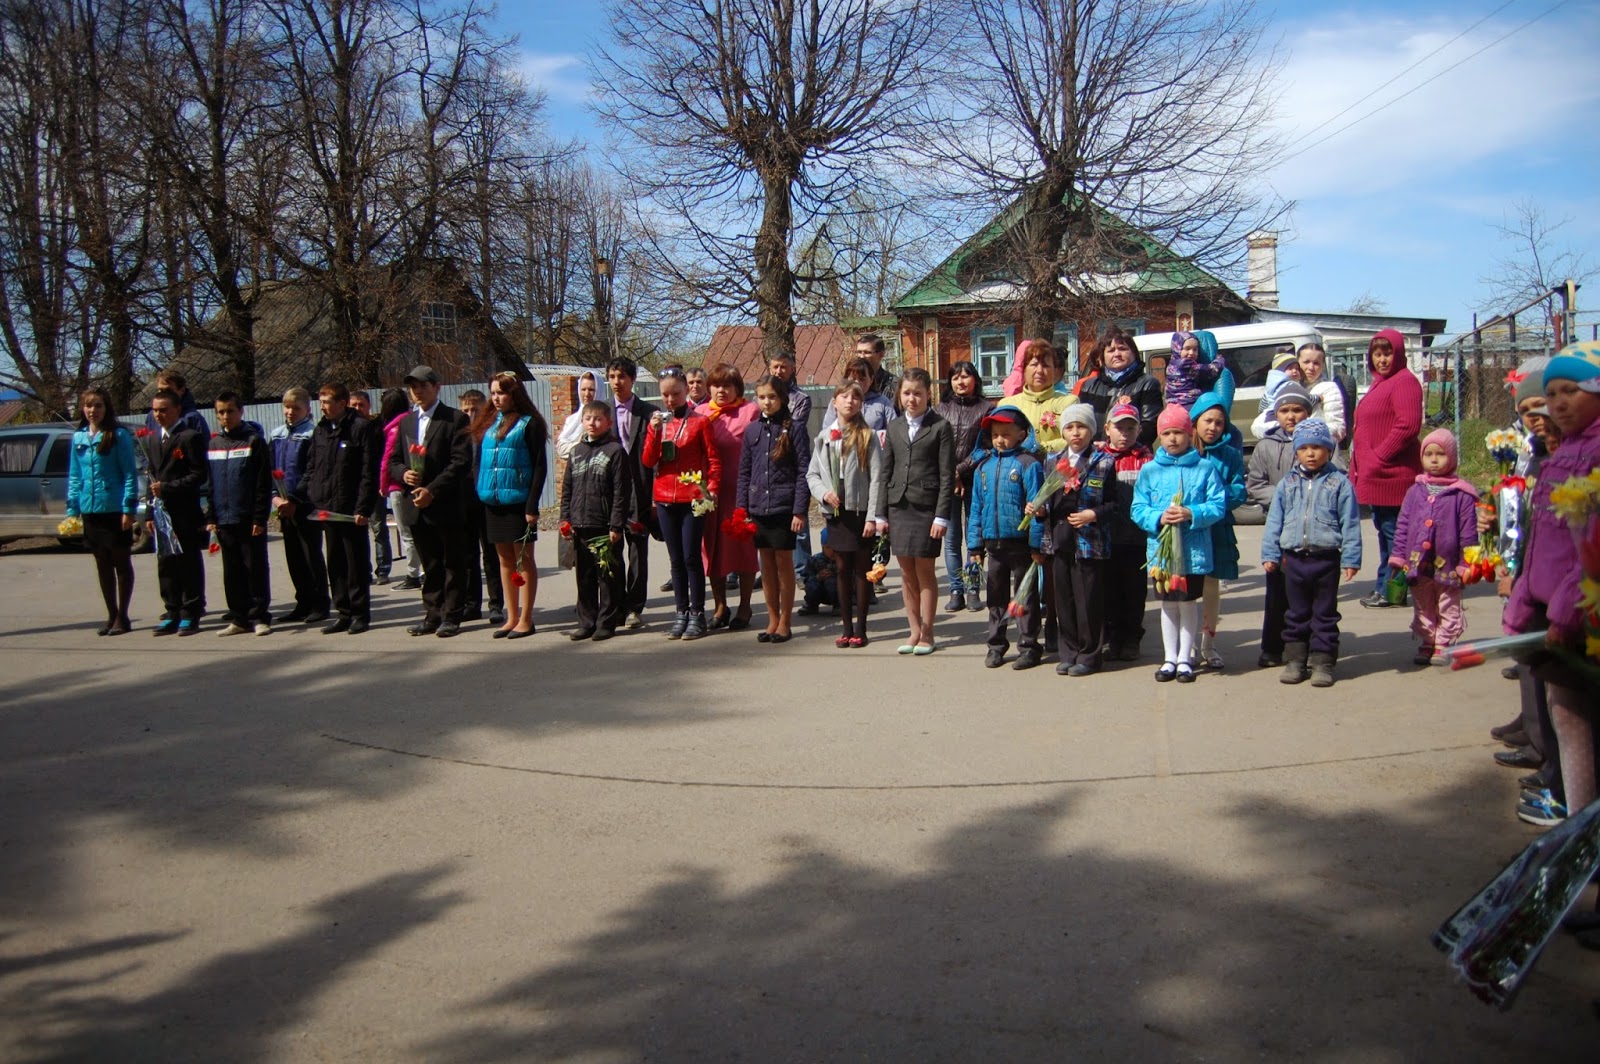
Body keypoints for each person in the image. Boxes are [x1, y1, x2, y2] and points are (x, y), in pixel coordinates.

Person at [1504, 341, 1600, 827]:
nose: (1557, 403)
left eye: (1571, 391)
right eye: (1552, 393)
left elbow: (1590, 548)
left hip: (1582, 615)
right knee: (1566, 712)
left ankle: (1582, 821)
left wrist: (1565, 608)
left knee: (1581, 717)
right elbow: (1542, 536)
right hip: (1552, 606)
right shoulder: (1561, 452)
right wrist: (1523, 596)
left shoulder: (1595, 454)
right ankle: (1577, 818)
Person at [1261, 418, 1362, 687]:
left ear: (1328, 450)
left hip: (1326, 559)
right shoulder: (1287, 484)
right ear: (1296, 451)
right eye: (1305, 448)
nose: (1311, 453)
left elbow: (1350, 522)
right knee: (1296, 613)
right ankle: (1295, 660)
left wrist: (1351, 558)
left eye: (1318, 447)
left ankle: (1323, 662)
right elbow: (1274, 521)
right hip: (1293, 560)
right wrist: (1270, 554)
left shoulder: (1339, 484)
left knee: (1325, 613)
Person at [1131, 405, 1227, 683]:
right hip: (1162, 555)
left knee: (1187, 603)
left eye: (1178, 433)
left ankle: (1186, 657)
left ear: (1189, 434)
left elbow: (1217, 504)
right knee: (1167, 605)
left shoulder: (1203, 467)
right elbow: (1138, 508)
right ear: (1159, 436)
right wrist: (1158, 517)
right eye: (1167, 433)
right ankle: (1169, 657)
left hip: (1192, 552)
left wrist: (1191, 513)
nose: (1172, 439)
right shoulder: (1150, 470)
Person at [387, 365, 472, 637]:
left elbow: (460, 463)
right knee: (430, 563)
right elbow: (393, 461)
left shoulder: (455, 419)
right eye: (413, 388)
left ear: (437, 387)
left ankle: (452, 615)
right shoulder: (406, 422)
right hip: (416, 505)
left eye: (422, 386)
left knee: (452, 563)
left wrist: (432, 490)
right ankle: (432, 613)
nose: (417, 392)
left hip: (445, 503)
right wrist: (404, 473)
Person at [1035, 403, 1117, 676]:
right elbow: (1048, 501)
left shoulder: (1103, 461)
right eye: (1069, 427)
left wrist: (1093, 514)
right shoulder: (1052, 460)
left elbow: (1113, 504)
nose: (1076, 433)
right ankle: (1068, 651)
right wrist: (1038, 509)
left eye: (1081, 427)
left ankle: (1090, 654)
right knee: (1064, 600)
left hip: (1088, 542)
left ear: (1091, 430)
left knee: (1088, 600)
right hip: (1059, 540)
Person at [876, 368, 954, 655]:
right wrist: (880, 514)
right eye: (907, 393)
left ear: (928, 394)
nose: (912, 398)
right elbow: (885, 472)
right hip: (899, 507)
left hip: (926, 509)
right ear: (899, 395)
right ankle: (913, 631)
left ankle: (928, 633)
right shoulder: (894, 427)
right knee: (907, 574)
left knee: (925, 573)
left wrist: (941, 515)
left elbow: (947, 475)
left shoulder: (941, 427)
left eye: (918, 393)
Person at [1388, 428, 1478, 666]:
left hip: (1448, 563)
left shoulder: (1462, 494)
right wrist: (1398, 556)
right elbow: (1403, 524)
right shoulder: (1415, 491)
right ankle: (1427, 641)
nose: (1434, 459)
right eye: (1429, 454)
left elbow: (1469, 532)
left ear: (1453, 457)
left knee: (1448, 603)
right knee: (1423, 602)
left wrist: (1466, 563)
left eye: (1441, 454)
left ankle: (1443, 643)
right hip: (1418, 561)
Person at [641, 367, 719, 639]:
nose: (670, 399)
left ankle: (698, 614)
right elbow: (648, 461)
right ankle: (681, 612)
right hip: (663, 498)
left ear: (686, 390)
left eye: (675, 393)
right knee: (675, 561)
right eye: (665, 394)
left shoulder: (700, 422)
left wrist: (710, 490)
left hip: (692, 499)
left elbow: (713, 460)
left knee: (690, 557)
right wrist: (653, 432)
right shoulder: (659, 422)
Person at [293, 382, 378, 634]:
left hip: (351, 509)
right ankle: (343, 612)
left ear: (342, 403)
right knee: (336, 563)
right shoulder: (321, 430)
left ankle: (360, 614)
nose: (323, 407)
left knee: (355, 563)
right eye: (321, 402)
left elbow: (368, 472)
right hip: (325, 506)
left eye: (327, 401)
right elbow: (313, 466)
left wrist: (363, 507)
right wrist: (306, 493)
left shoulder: (361, 428)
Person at [966, 406, 1045, 669]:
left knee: (1024, 596)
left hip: (1021, 544)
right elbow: (975, 508)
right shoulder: (983, 468)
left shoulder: (1028, 465)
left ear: (1021, 435)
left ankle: (1029, 645)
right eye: (995, 434)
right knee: (996, 598)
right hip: (993, 544)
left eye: (1006, 434)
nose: (1000, 439)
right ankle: (996, 645)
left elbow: (1036, 504)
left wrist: (1036, 543)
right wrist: (975, 545)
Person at [1349, 328, 1423, 608]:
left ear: (1399, 353)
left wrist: (1379, 458)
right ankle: (1385, 585)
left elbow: (1408, 426)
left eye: (1387, 353)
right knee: (1386, 532)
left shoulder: (1405, 382)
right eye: (1377, 354)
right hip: (1377, 475)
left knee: (1395, 534)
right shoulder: (1380, 383)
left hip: (1393, 475)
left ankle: (1393, 590)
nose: (1382, 360)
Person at [807, 382, 884, 648]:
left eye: (855, 397)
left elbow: (877, 478)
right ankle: (846, 627)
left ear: (861, 404)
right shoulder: (825, 436)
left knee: (861, 570)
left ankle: (861, 629)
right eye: (844, 396)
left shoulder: (868, 436)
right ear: (834, 401)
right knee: (841, 569)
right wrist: (824, 494)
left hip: (860, 513)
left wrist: (873, 516)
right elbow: (812, 474)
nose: (849, 401)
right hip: (835, 513)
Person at [737, 375, 811, 644]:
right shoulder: (752, 431)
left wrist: (799, 510)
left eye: (772, 397)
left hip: (784, 506)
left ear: (782, 398)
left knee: (783, 564)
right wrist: (741, 509)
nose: (766, 402)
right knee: (765, 565)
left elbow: (804, 470)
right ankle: (771, 619)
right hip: (759, 507)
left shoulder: (795, 429)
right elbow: (744, 472)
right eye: (762, 397)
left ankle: (785, 622)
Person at [475, 373, 549, 639]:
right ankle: (512, 616)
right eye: (493, 392)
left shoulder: (529, 424)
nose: (496, 398)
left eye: (502, 393)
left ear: (514, 394)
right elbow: (479, 462)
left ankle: (526, 619)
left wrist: (532, 505)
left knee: (523, 560)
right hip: (492, 501)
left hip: (518, 502)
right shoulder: (488, 422)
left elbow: (540, 466)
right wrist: (479, 488)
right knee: (504, 560)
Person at [1245, 383, 1314, 667]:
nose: (1291, 416)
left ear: (1308, 412)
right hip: (1280, 531)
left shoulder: (1320, 443)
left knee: (1309, 592)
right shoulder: (1266, 446)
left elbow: (1337, 479)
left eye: (1297, 410)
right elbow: (1255, 484)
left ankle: (1306, 647)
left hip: (1313, 532)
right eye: (1284, 410)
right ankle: (1273, 647)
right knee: (1278, 590)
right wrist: (1285, 497)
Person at [66, 387, 139, 635]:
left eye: (98, 405)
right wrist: (72, 507)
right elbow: (75, 476)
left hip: (114, 507)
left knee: (121, 562)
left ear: (106, 408)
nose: (92, 410)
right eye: (88, 405)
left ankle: (123, 616)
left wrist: (128, 508)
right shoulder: (78, 438)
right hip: (90, 509)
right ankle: (111, 615)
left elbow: (129, 473)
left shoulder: (118, 435)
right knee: (102, 563)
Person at [696, 362, 761, 629]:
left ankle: (745, 606)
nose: (721, 390)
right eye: (716, 384)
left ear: (738, 388)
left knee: (744, 550)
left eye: (727, 385)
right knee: (712, 550)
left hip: (740, 491)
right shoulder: (699, 412)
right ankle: (720, 606)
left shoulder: (750, 411)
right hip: (709, 491)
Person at [560, 400, 631, 640]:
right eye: (588, 418)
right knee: (585, 576)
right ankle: (586, 621)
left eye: (598, 419)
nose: (593, 423)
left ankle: (607, 622)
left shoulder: (615, 451)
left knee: (607, 576)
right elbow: (567, 488)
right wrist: (564, 519)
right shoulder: (576, 452)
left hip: (604, 526)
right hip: (580, 523)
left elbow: (622, 492)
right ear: (582, 421)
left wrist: (616, 524)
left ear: (609, 423)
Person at [142, 388, 210, 635]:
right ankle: (171, 609)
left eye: (163, 410)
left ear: (177, 410)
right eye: (155, 410)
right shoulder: (152, 439)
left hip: (184, 511)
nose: (158, 415)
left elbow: (199, 475)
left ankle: (191, 611)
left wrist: (169, 488)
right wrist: (150, 514)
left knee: (187, 561)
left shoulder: (188, 437)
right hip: (162, 514)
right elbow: (151, 477)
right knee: (166, 563)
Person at [206, 391, 274, 636]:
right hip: (224, 519)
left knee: (254, 568)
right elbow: (211, 484)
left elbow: (262, 484)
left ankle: (259, 617)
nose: (225, 417)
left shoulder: (253, 441)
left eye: (230, 411)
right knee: (231, 571)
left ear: (240, 411)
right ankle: (239, 617)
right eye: (221, 412)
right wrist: (211, 517)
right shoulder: (214, 444)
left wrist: (259, 517)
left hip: (248, 518)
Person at [1192, 392, 1246, 670]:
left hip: (1217, 528)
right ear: (1195, 421)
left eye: (1219, 423)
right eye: (1207, 421)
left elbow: (1239, 491)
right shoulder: (1184, 452)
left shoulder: (1230, 455)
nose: (1213, 427)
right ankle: (1187, 646)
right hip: (1188, 530)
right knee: (1188, 588)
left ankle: (1208, 643)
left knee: (1212, 585)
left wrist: (1213, 501)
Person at [607, 356, 660, 628]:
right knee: (612, 551)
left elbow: (657, 458)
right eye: (613, 377)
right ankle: (615, 605)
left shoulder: (649, 412)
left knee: (638, 551)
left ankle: (634, 608)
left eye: (622, 377)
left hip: (640, 492)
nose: (617, 382)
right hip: (612, 495)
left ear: (632, 380)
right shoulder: (601, 413)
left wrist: (653, 496)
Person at [935, 360, 993, 611]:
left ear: (975, 380)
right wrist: (951, 473)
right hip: (946, 481)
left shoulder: (986, 409)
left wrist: (960, 469)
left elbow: (986, 447)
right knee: (951, 539)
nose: (960, 381)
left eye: (966, 377)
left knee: (974, 536)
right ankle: (955, 590)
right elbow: (935, 447)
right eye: (956, 377)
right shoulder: (939, 409)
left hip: (976, 480)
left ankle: (972, 589)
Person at [268, 388, 330, 623]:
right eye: (287, 407)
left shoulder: (312, 434)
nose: (291, 412)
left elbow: (312, 472)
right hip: (284, 505)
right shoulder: (277, 435)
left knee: (310, 554)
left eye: (296, 408)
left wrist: (294, 500)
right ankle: (302, 602)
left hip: (305, 504)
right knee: (293, 556)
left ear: (307, 410)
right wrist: (276, 498)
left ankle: (320, 603)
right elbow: (271, 471)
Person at [1100, 403, 1153, 661]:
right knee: (1109, 592)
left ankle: (1132, 638)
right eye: (1119, 428)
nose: (1124, 434)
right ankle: (1113, 638)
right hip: (1106, 538)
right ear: (1107, 429)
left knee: (1134, 592)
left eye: (1130, 428)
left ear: (1139, 430)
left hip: (1135, 539)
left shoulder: (1147, 459)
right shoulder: (1099, 457)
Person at [766, 351, 814, 576]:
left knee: (798, 519)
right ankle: (770, 569)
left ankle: (803, 570)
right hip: (769, 464)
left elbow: (793, 428)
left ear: (792, 368)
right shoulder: (763, 395)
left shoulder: (800, 398)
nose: (779, 371)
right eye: (775, 367)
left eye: (783, 367)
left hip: (794, 460)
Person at [459, 388, 504, 625]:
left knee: (491, 555)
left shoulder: (491, 431)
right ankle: (471, 604)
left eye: (474, 409)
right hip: (464, 499)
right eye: (465, 410)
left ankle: (496, 604)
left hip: (487, 499)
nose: (469, 414)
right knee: (468, 555)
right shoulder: (459, 433)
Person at [1079, 327, 1163, 447]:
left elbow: (1149, 427)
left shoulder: (1148, 384)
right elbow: (1082, 423)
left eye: (1122, 349)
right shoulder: (1089, 386)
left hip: (1133, 456)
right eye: (1111, 350)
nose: (1117, 354)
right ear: (1102, 356)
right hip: (1095, 455)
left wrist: (1115, 446)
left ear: (1134, 353)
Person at [375, 388, 421, 592]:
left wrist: (383, 485)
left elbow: (387, 460)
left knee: (406, 532)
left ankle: (413, 574)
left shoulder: (395, 428)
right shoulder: (413, 422)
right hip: (414, 483)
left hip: (398, 486)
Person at [822, 357, 896, 430]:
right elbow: (827, 430)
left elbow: (894, 432)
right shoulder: (839, 400)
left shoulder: (883, 402)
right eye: (853, 379)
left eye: (862, 379)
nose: (857, 383)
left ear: (871, 379)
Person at [1296, 343, 1347, 443]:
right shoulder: (1288, 387)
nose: (1311, 367)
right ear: (1297, 363)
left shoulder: (1329, 388)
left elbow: (1338, 428)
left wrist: (1306, 434)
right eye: (1306, 362)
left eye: (1316, 363)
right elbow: (1259, 425)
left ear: (1323, 366)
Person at [1164, 331, 1227, 411]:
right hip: (1186, 403)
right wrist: (1219, 360)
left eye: (1195, 349)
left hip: (1173, 404)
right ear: (1178, 348)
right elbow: (1210, 370)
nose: (1191, 353)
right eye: (1187, 349)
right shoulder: (1184, 364)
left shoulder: (1172, 364)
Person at [143, 369, 210, 436]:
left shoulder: (193, 418)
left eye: (168, 390)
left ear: (182, 390)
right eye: (160, 390)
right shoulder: (152, 416)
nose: (164, 394)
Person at [556, 371, 601, 460]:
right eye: (583, 389)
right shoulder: (572, 420)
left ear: (599, 391)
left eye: (591, 390)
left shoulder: (607, 418)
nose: (587, 394)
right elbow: (561, 449)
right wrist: (585, 446)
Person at [800, 527, 840, 614]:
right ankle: (812, 605)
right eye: (828, 547)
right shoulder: (815, 559)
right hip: (820, 592)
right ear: (822, 547)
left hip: (838, 591)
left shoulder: (844, 560)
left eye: (835, 547)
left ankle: (839, 605)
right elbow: (805, 578)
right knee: (812, 584)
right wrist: (817, 577)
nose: (832, 551)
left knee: (832, 581)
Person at [856, 333, 899, 412]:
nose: (861, 356)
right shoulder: (850, 383)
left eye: (867, 352)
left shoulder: (893, 385)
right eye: (859, 352)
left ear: (881, 354)